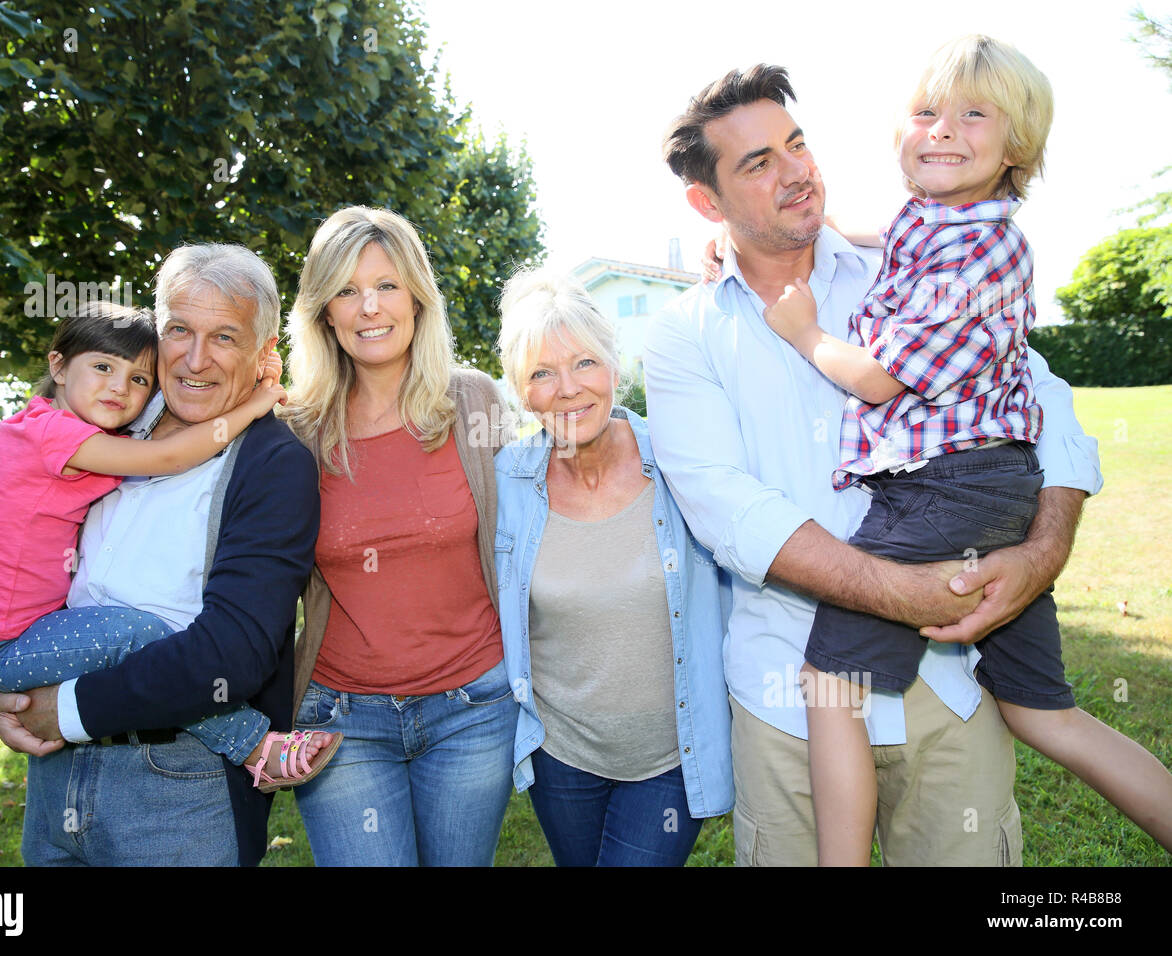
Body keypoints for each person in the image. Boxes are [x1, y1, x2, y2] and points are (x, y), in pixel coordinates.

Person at [646, 63, 1104, 866]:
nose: (796, 170)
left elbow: (1049, 408)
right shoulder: (684, 336)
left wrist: (1041, 554)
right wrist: (898, 591)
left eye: (796, 144)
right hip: (790, 702)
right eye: (757, 163)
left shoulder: (908, 264)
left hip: (951, 687)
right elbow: (729, 511)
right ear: (707, 205)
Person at [761, 35, 1172, 864]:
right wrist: (831, 227)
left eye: (972, 115)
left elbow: (880, 379)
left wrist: (806, 334)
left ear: (1016, 147)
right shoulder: (933, 220)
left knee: (830, 684)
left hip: (949, 489)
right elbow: (893, 236)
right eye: (925, 113)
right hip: (988, 486)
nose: (942, 130)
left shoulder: (984, 252)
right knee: (1039, 711)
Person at [0, 243, 332, 865]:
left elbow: (235, 654)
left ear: (265, 351)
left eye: (225, 336)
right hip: (57, 779)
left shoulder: (275, 464)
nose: (196, 359)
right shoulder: (108, 426)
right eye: (179, 331)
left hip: (178, 785)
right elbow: (10, 565)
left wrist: (58, 709)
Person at [280, 205, 519, 867]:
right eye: (347, 291)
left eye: (386, 284)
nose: (369, 307)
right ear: (324, 311)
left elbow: (529, 534)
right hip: (341, 715)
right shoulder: (295, 432)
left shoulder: (474, 403)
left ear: (416, 294)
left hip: (474, 706)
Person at [492, 269, 732, 866]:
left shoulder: (679, 464)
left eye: (585, 363)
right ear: (522, 392)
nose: (568, 389)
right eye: (542, 373)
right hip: (562, 754)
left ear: (615, 368)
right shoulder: (506, 482)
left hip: (672, 757)